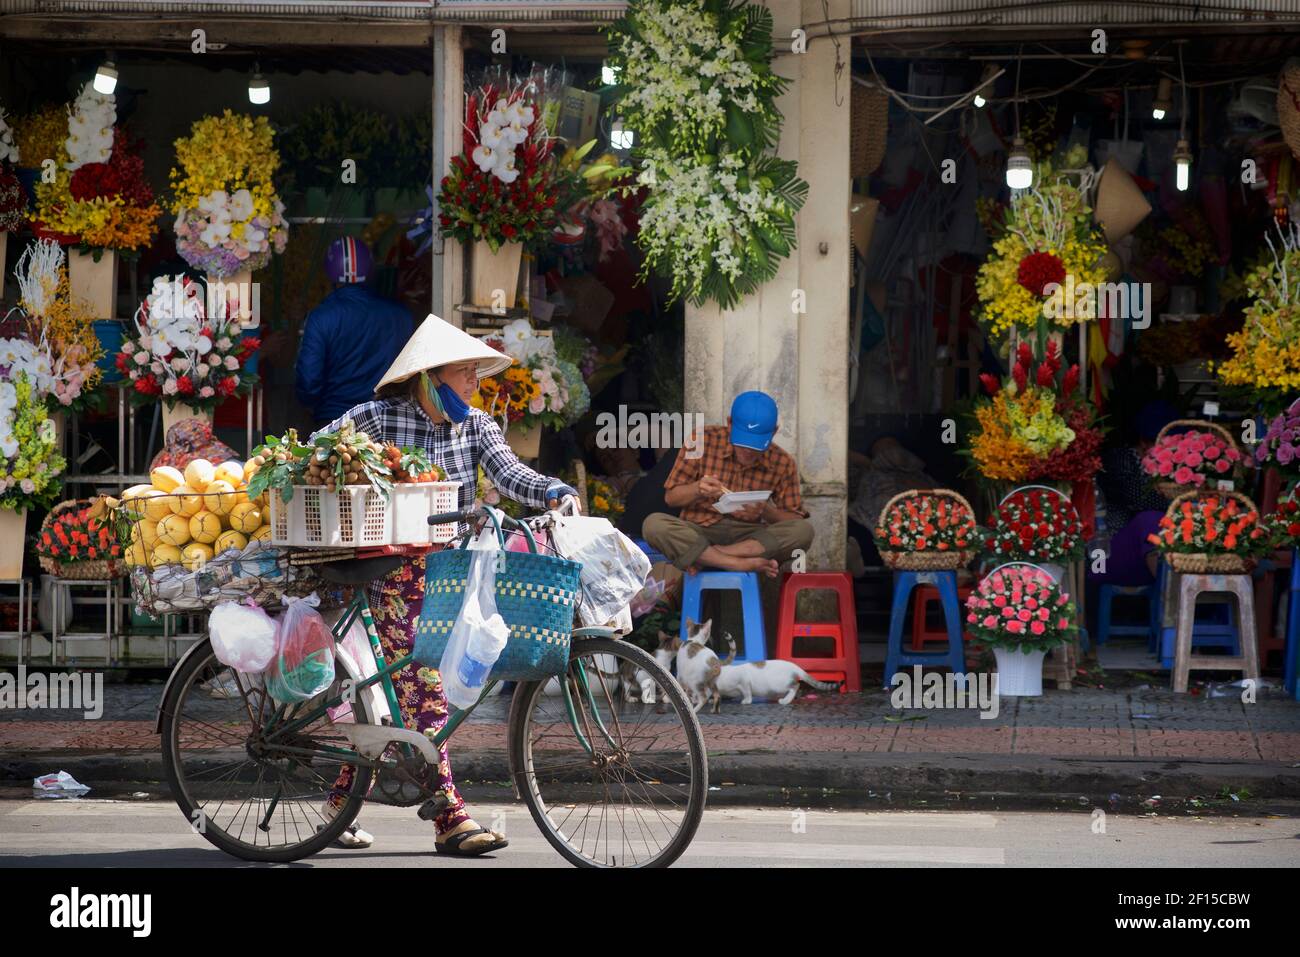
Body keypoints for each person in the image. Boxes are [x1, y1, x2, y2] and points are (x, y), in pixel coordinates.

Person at [320, 314, 580, 856]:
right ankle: (450, 819)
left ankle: (337, 808)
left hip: (452, 574)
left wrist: (554, 491)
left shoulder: (478, 426)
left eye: (476, 376)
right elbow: (316, 456)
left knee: (404, 694)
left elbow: (513, 476)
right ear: (431, 375)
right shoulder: (375, 418)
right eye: (465, 373)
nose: (473, 384)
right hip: (388, 572)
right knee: (422, 687)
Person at [642, 391, 813, 577]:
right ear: (730, 423)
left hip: (750, 537)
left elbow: (795, 520)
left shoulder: (782, 461)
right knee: (654, 525)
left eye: (755, 446)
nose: (748, 452)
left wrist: (766, 511)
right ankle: (735, 563)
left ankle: (710, 557)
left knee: (804, 531)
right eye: (743, 443)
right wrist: (698, 488)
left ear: (774, 432)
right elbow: (671, 498)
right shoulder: (701, 439)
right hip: (700, 530)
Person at [295, 237, 414, 428]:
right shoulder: (401, 315)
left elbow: (309, 380)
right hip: (389, 420)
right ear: (371, 269)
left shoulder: (320, 317)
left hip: (334, 420)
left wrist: (310, 405)